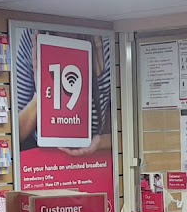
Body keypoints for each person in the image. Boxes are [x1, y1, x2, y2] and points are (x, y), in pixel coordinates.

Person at [13, 28, 113, 157]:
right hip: (42, 164)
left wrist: (100, 142)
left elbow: (123, 130)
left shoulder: (105, 42)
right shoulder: (34, 34)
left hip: (91, 163)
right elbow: (14, 134)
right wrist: (43, 95)